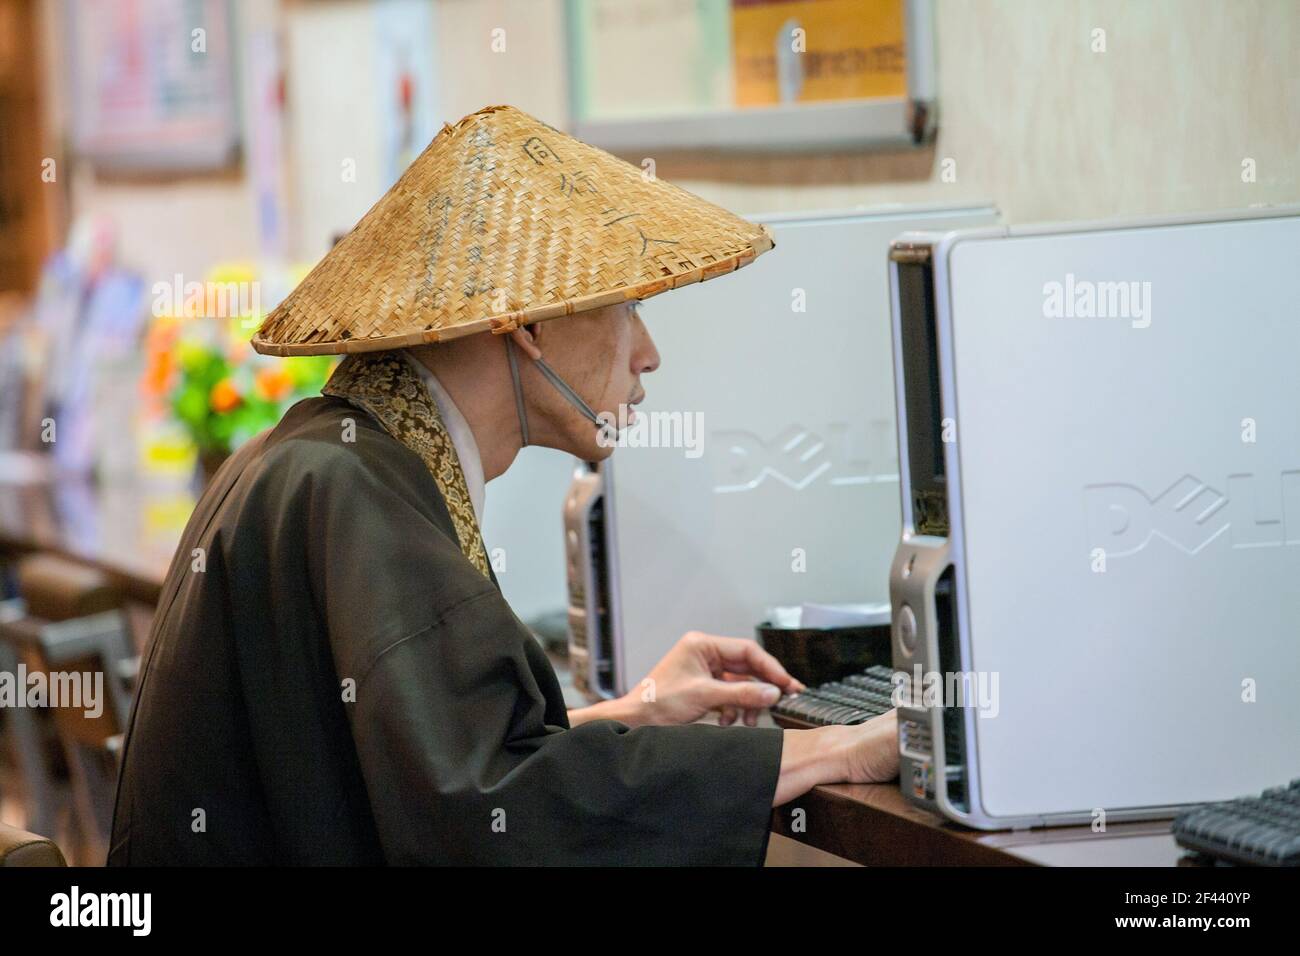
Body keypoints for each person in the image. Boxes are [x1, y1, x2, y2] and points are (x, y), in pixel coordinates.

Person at [109, 105, 898, 866]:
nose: (649, 354)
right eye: (626, 306)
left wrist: (638, 712)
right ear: (527, 322)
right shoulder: (356, 494)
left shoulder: (332, 457)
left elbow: (433, 767)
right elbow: (491, 821)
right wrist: (832, 748)